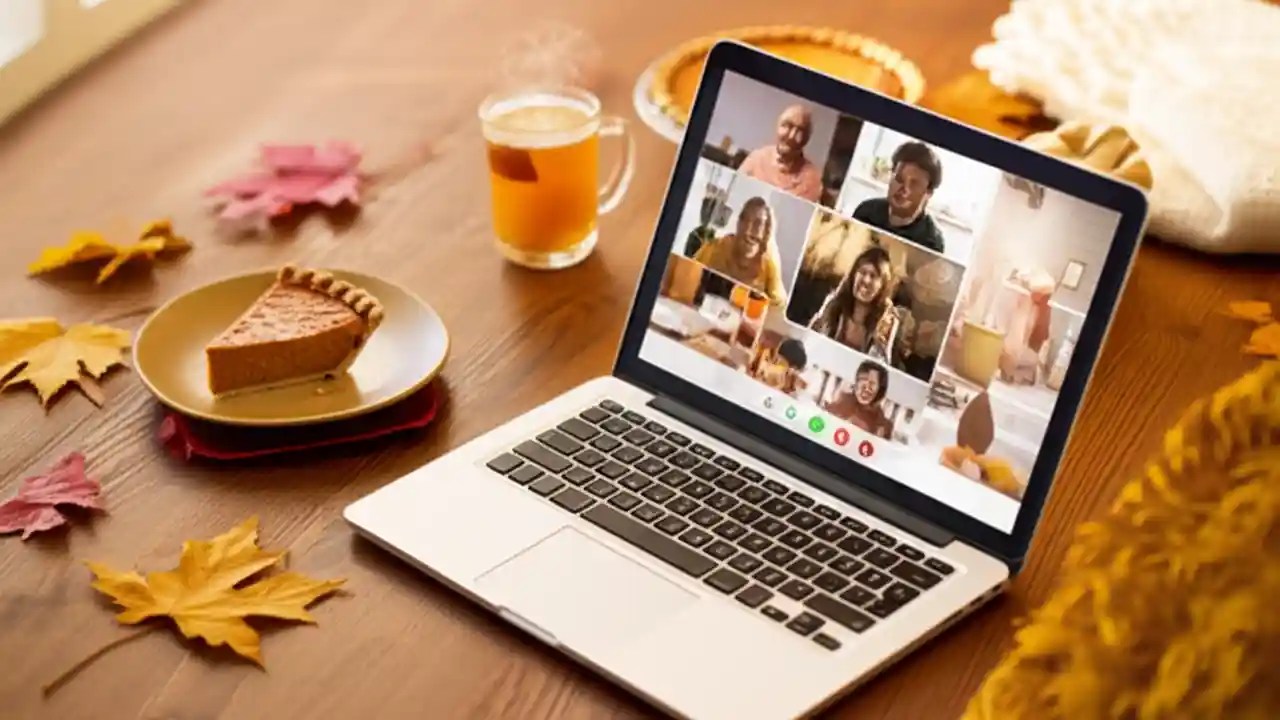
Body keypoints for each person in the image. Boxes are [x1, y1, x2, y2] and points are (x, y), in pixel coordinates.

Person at [852, 141, 946, 253]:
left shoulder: (931, 242)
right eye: (899, 178)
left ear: (928, 193)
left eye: (914, 184)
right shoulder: (866, 212)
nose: (904, 189)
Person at [694, 197, 788, 305]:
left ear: (767, 231)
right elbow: (689, 273)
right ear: (738, 223)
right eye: (745, 219)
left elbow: (779, 303)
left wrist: (772, 251)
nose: (748, 230)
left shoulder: (769, 264)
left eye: (758, 223)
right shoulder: (715, 248)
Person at [808, 245, 896, 353]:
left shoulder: (886, 321)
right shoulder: (833, 304)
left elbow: (880, 363)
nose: (866, 280)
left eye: (874, 276)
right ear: (853, 275)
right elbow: (809, 340)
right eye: (862, 272)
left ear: (883, 285)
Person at [738, 105, 824, 202]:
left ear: (807, 138)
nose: (792, 136)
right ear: (778, 127)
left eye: (800, 130)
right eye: (787, 126)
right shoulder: (756, 159)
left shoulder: (812, 179)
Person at [826, 361, 894, 439]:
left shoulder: (881, 425)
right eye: (863, 380)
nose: (867, 387)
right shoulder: (842, 402)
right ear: (857, 382)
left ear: (880, 390)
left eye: (872, 383)